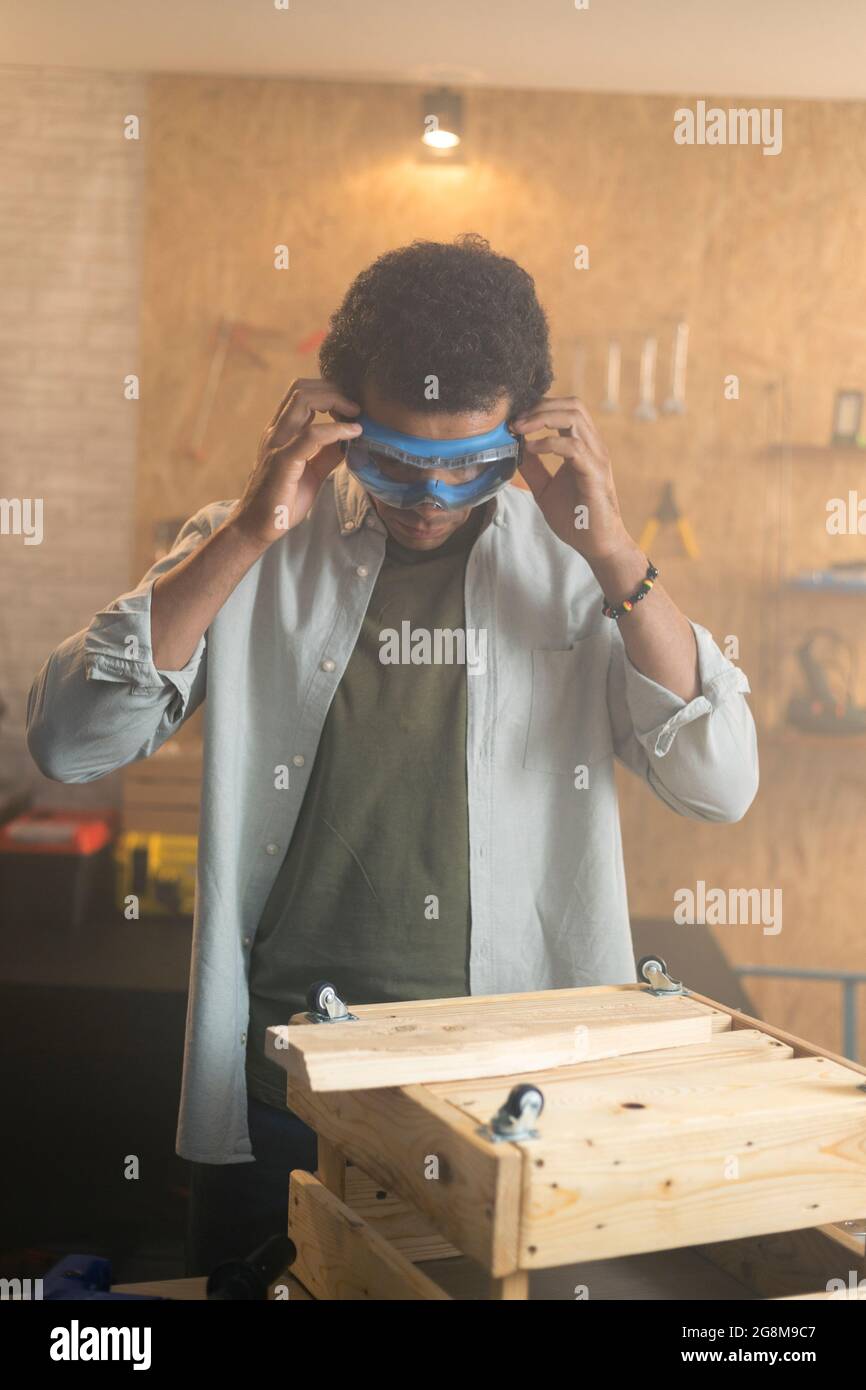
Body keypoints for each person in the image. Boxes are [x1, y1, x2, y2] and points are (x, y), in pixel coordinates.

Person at [25, 234, 758, 1276]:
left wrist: (612, 552)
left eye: (474, 462)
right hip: (289, 1079)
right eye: (400, 460)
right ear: (334, 413)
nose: (433, 496)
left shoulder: (574, 570)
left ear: (527, 433)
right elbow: (68, 742)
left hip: (511, 1088)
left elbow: (719, 781)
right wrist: (245, 528)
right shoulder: (256, 545)